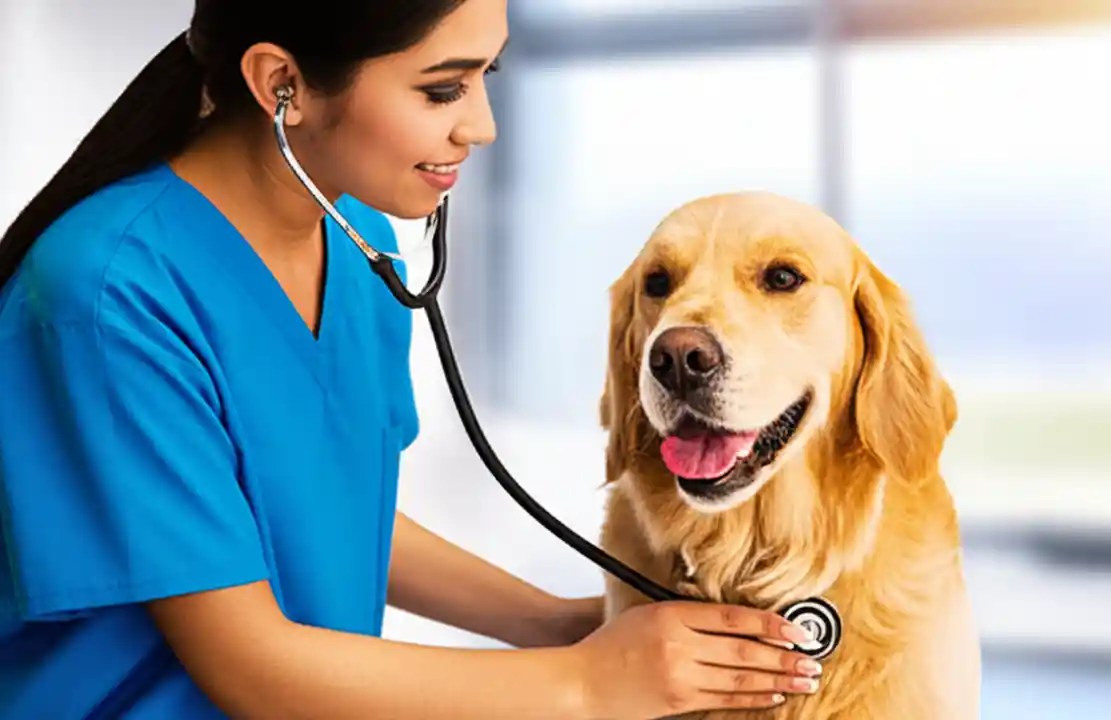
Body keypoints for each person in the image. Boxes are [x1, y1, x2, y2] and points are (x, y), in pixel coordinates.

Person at [0, 1, 825, 717]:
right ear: (279, 81)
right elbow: (252, 668)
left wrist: (560, 622)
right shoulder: (108, 295)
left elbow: (324, 510)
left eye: (485, 75)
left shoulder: (358, 248)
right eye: (443, 89)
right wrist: (586, 684)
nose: (483, 124)